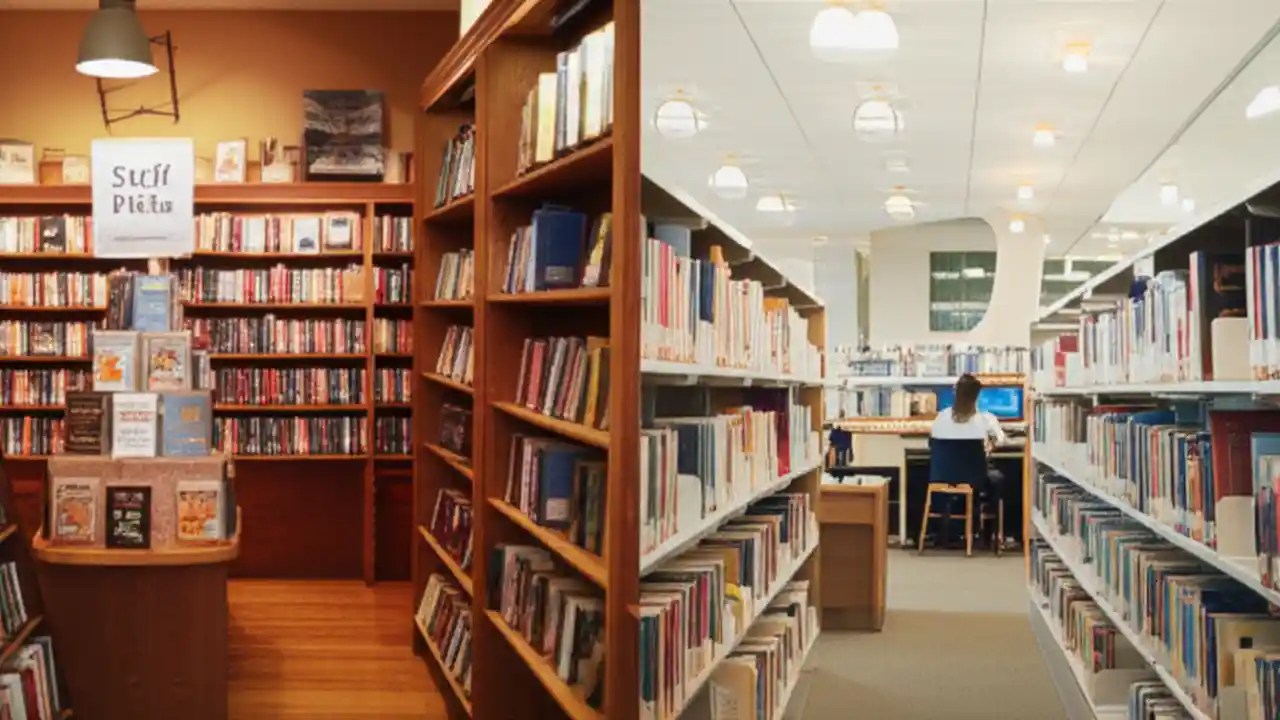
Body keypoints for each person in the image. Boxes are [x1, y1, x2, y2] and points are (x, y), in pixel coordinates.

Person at [927, 373, 1008, 548]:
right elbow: (1001, 440)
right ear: (977, 396)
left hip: (941, 477)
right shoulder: (986, 419)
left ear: (955, 393)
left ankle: (938, 531)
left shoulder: (940, 417)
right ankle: (990, 534)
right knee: (998, 479)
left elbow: (931, 441)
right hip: (974, 479)